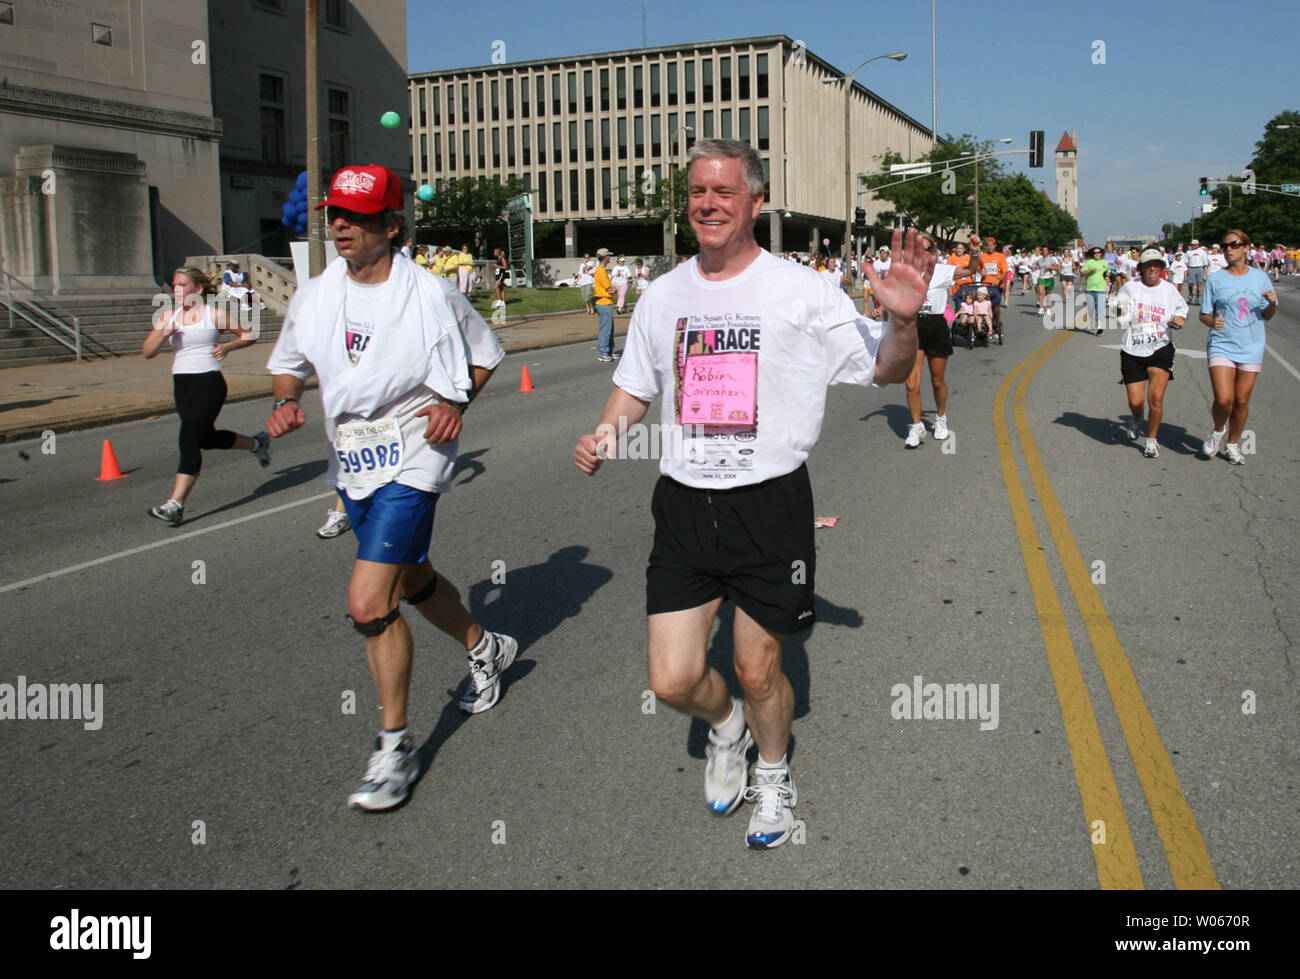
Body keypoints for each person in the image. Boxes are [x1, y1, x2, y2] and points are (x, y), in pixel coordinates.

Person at [573, 139, 931, 849]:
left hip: (769, 502)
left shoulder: (800, 291)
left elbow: (889, 370)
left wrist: (902, 319)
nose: (708, 203)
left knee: (755, 665)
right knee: (673, 677)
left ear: (755, 203)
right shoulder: (666, 293)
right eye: (698, 191)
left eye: (725, 192)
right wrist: (607, 431)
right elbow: (636, 385)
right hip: (683, 504)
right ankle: (725, 727)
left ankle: (773, 771)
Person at [264, 164, 517, 811]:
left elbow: (486, 353)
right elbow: (288, 365)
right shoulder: (317, 295)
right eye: (335, 214)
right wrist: (287, 401)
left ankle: (393, 747)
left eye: (357, 215)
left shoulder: (430, 294)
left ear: (392, 225)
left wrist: (455, 400)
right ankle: (485, 648)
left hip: (415, 456)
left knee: (367, 599)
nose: (341, 225)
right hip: (352, 460)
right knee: (411, 578)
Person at [142, 266, 269, 526]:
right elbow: (147, 352)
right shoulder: (168, 316)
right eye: (174, 285)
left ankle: (175, 504)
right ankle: (257, 444)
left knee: (188, 439)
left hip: (209, 382)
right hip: (182, 384)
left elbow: (250, 334)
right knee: (206, 439)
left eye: (182, 285)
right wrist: (163, 335)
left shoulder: (214, 314)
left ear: (197, 289)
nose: (176, 290)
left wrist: (228, 346)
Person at [1198, 229, 1278, 465]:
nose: (1229, 250)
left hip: (1251, 345)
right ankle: (1218, 429)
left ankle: (1233, 444)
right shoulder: (1215, 279)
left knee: (1241, 401)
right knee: (1224, 400)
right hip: (1221, 343)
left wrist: (1272, 304)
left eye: (1234, 245)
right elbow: (1203, 314)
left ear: (1246, 248)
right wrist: (1212, 321)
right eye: (1225, 246)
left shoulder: (1260, 277)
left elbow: (1267, 314)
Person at [1115, 247, 1187, 458]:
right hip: (1133, 350)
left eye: (1157, 265)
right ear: (1141, 268)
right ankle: (1137, 418)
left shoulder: (1169, 290)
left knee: (1155, 399)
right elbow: (1119, 312)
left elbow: (1182, 310)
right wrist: (1122, 312)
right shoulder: (1129, 287)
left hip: (1160, 348)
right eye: (1148, 265)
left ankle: (1152, 440)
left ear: (1162, 268)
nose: (1153, 269)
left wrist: (1179, 319)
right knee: (1136, 402)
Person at [903, 233, 954, 449]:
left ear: (932, 251)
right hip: (913, 326)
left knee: (937, 381)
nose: (921, 252)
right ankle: (916, 426)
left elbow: (971, 269)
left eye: (925, 248)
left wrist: (975, 251)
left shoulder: (943, 270)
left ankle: (940, 419)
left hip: (936, 326)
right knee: (911, 383)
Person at [593, 248, 617, 362]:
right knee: (606, 329)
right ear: (605, 257)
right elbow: (610, 289)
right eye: (608, 255)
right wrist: (615, 289)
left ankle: (609, 350)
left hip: (605, 302)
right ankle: (603, 352)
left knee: (609, 328)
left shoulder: (601, 270)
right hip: (603, 302)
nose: (610, 257)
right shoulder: (601, 271)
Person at [1081, 246, 1110, 334]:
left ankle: (1100, 326)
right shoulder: (1089, 262)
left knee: (1100, 308)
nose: (1097, 254)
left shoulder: (1105, 262)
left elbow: (1108, 271)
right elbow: (1082, 272)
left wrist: (1107, 277)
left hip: (1101, 288)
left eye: (1098, 252)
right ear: (1092, 254)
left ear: (1101, 253)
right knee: (1091, 308)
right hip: (1090, 289)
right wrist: (1090, 270)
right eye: (1095, 253)